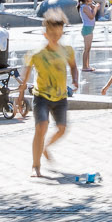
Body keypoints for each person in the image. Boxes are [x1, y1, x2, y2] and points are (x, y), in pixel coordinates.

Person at [16, 9, 80, 176]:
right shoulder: (36, 54)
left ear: (62, 33)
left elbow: (73, 66)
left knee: (61, 129)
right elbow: (25, 78)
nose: (55, 37)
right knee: (41, 127)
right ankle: (36, 166)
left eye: (58, 34)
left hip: (61, 97)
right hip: (41, 96)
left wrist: (75, 80)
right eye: (51, 34)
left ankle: (46, 148)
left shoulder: (67, 50)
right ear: (45, 34)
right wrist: (20, 97)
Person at [76, 0, 98, 74]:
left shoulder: (86, 6)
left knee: (88, 49)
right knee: (86, 49)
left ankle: (87, 65)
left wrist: (92, 7)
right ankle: (84, 66)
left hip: (89, 28)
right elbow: (91, 16)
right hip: (87, 28)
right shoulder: (84, 7)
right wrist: (95, 8)